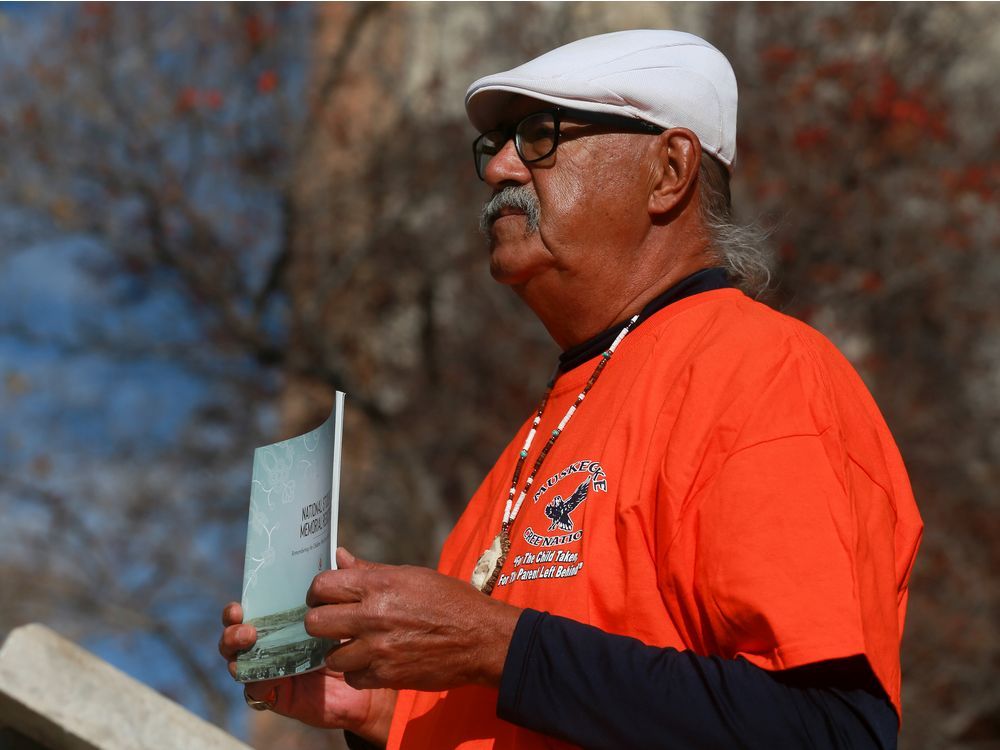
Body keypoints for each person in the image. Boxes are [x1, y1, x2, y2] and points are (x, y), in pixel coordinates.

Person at [220, 30, 923, 750]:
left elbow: (832, 732)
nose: (497, 168)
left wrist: (499, 645)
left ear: (668, 171)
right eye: (494, 143)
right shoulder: (543, 425)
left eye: (537, 135)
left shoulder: (765, 372)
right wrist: (378, 712)